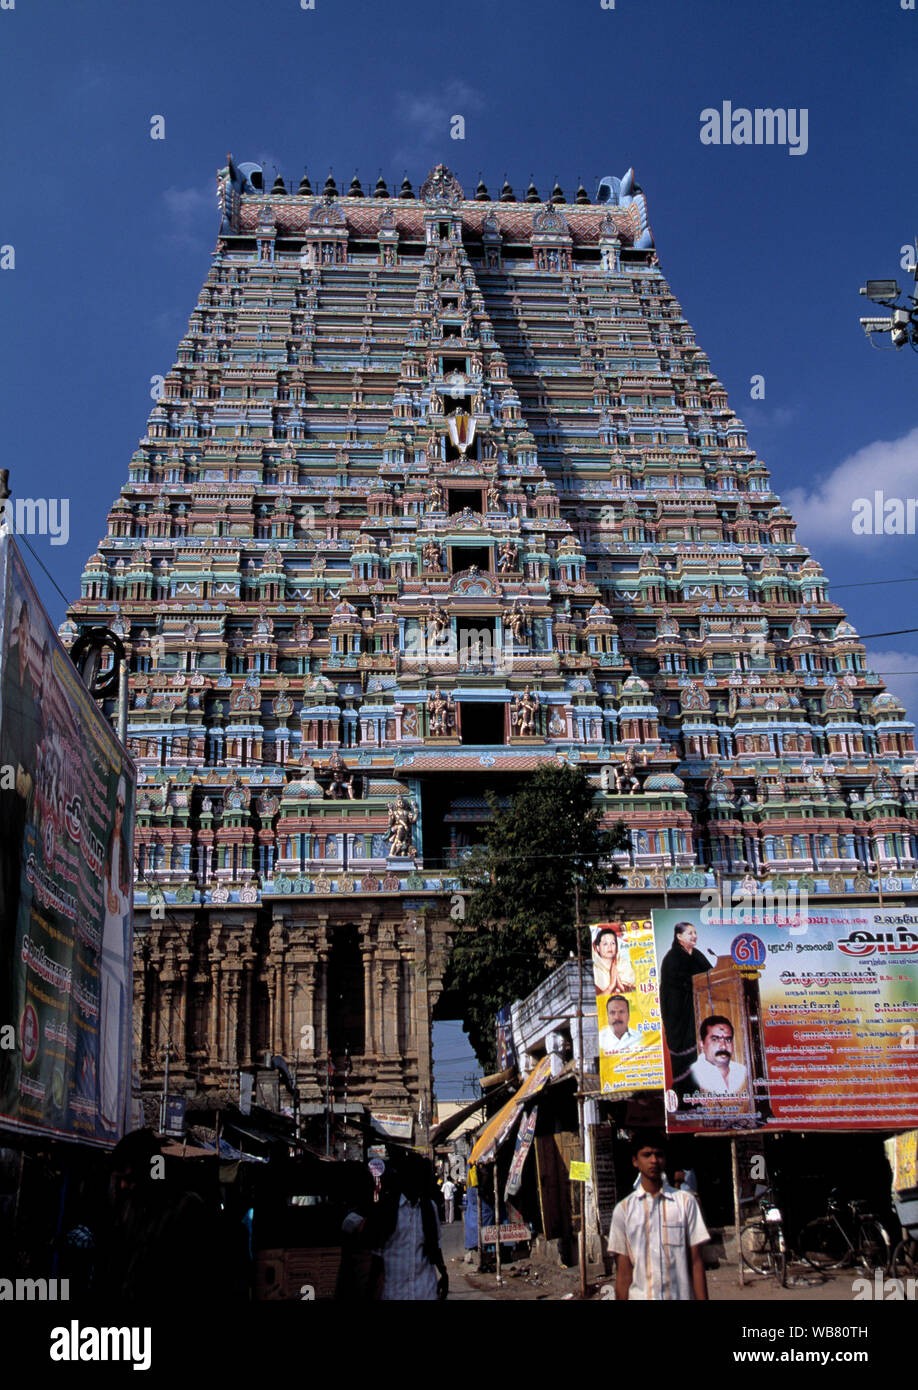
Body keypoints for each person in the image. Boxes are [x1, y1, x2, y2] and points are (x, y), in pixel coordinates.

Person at [609, 1131, 709, 1301]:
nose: (654, 1160)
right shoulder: (623, 1210)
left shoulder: (685, 1203)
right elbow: (624, 1273)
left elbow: (696, 1263)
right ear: (635, 1161)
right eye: (647, 1155)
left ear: (665, 1159)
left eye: (659, 1155)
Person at [368, 1147, 448, 1301]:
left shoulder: (429, 1209)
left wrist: (443, 1272)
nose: (419, 1183)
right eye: (414, 1176)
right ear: (404, 1178)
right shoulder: (387, 1209)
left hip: (425, 1291)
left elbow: (436, 1247)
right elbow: (376, 1258)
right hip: (394, 1292)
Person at [659, 921, 712, 1089]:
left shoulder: (697, 955)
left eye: (695, 933)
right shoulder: (672, 958)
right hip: (679, 1016)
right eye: (690, 933)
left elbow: (711, 975)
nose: (694, 936)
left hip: (698, 1011)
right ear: (679, 936)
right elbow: (678, 984)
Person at [689, 1016, 748, 1095]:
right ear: (702, 1044)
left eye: (728, 1040)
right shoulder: (692, 1074)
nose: (723, 1046)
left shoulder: (742, 1072)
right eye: (715, 1039)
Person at [591, 926, 635, 996]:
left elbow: (636, 995)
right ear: (598, 948)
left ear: (617, 947)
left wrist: (621, 985)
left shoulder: (624, 965)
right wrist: (611, 986)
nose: (609, 947)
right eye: (605, 944)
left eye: (613, 943)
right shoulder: (593, 970)